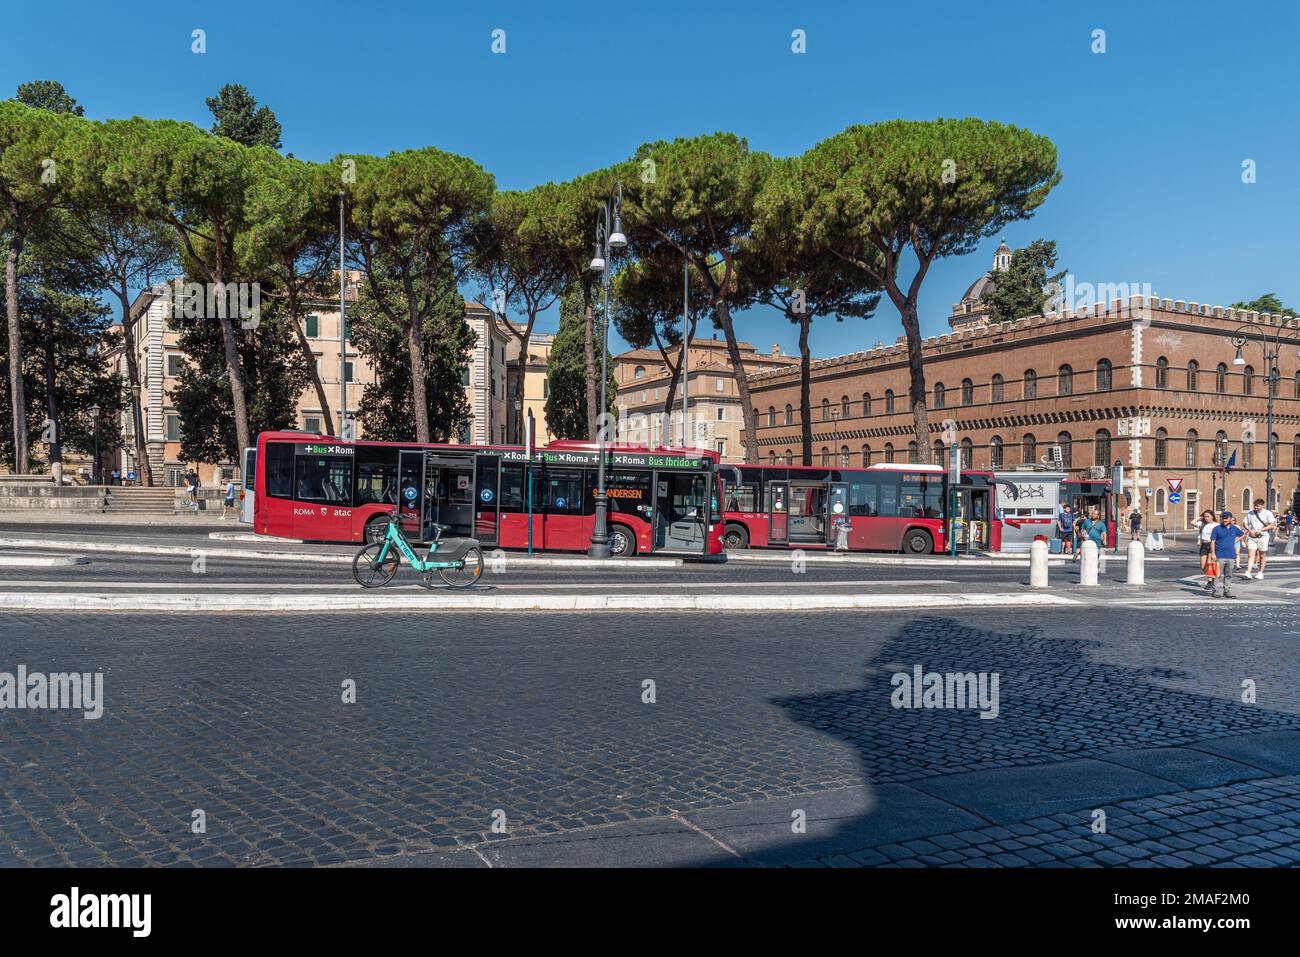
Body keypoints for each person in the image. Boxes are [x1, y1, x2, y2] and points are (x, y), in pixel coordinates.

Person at [1209, 511, 1245, 598]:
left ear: (1230, 519)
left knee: (1228, 575)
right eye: (1222, 518)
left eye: (1226, 518)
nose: (1224, 520)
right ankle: (1215, 590)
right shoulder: (1216, 529)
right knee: (1217, 574)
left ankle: (1227, 591)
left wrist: (1237, 540)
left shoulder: (1234, 528)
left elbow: (1243, 534)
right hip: (1219, 555)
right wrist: (1213, 553)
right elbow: (1212, 541)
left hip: (1231, 556)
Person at [1243, 498, 1276, 580]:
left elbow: (1272, 525)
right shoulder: (1250, 513)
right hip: (1252, 537)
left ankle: (1260, 572)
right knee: (1251, 555)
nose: (1256, 508)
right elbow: (1244, 523)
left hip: (1263, 536)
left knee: (1262, 555)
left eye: (1257, 506)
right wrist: (1250, 530)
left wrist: (1261, 530)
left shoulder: (1267, 513)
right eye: (1255, 506)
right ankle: (1248, 572)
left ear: (1262, 505)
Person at [1196, 509, 1217, 591]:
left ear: (1212, 516)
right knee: (1203, 565)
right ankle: (1211, 577)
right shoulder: (1202, 524)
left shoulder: (1216, 525)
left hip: (1212, 545)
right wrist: (1200, 517)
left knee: (1209, 563)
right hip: (1204, 545)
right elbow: (1192, 523)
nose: (1206, 518)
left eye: (1208, 516)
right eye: (1205, 516)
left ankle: (1210, 581)